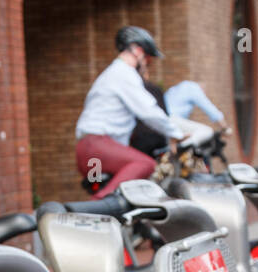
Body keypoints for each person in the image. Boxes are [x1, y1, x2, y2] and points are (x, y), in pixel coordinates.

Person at [75, 26, 183, 198]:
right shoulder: (124, 74)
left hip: (90, 148)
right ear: (138, 51)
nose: (148, 64)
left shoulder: (110, 74)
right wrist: (177, 133)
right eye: (148, 59)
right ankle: (101, 206)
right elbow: (149, 112)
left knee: (130, 191)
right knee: (145, 164)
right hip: (96, 146)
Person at [164, 80, 227, 150]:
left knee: (187, 135)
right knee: (207, 131)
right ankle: (183, 148)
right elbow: (210, 108)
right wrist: (225, 128)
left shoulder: (176, 88)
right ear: (202, 89)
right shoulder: (194, 88)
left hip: (162, 121)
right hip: (173, 119)